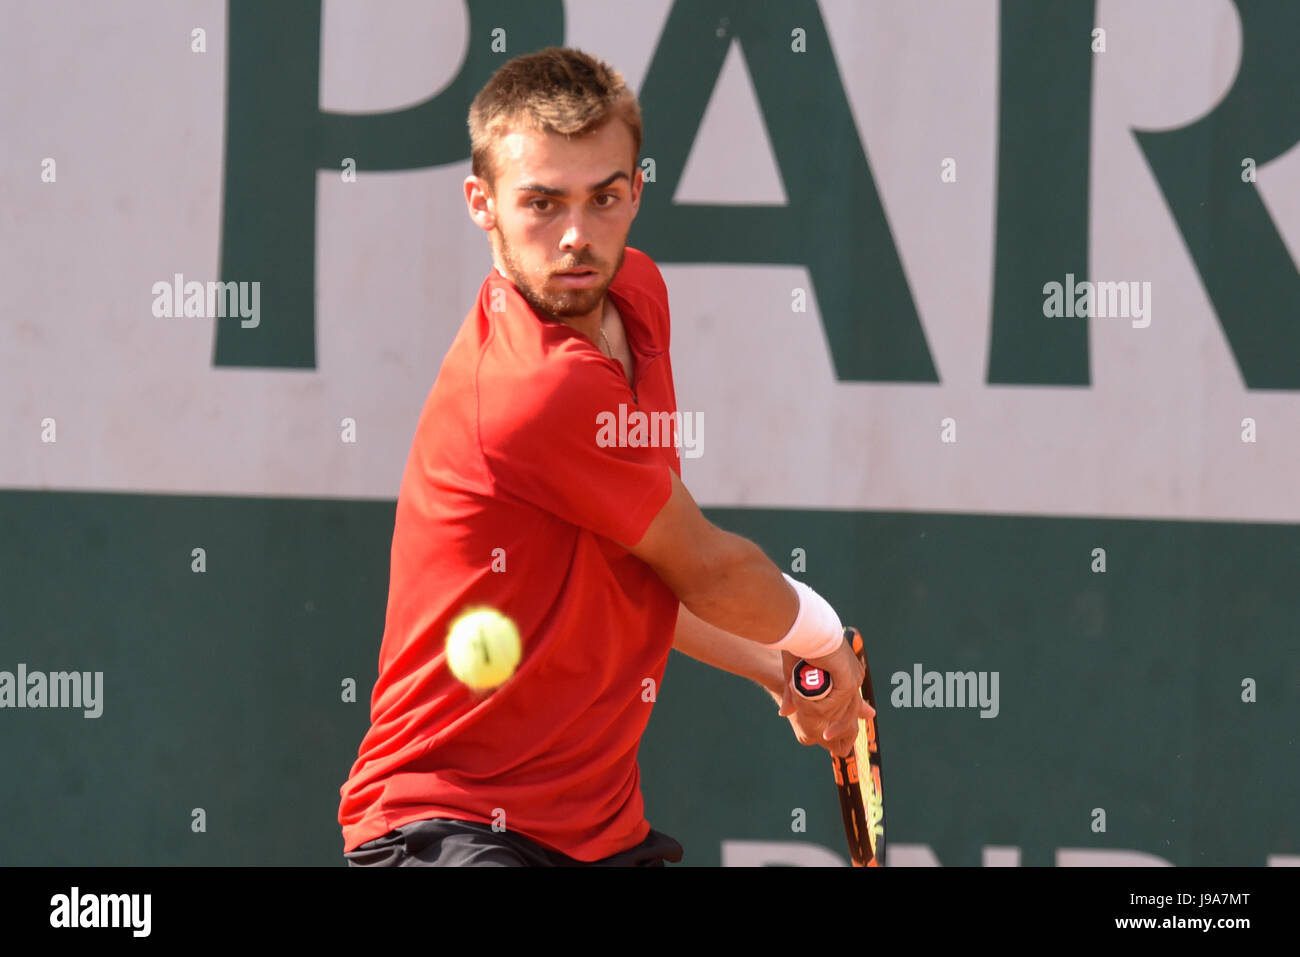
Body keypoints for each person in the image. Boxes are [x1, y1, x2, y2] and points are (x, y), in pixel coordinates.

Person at [338, 46, 871, 867]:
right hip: (448, 828)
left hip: (600, 837)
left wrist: (776, 664)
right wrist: (821, 634)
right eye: (542, 203)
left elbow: (649, 564)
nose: (578, 237)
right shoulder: (536, 387)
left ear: (636, 191)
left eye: (605, 197)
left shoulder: (640, 296)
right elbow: (707, 569)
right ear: (482, 203)